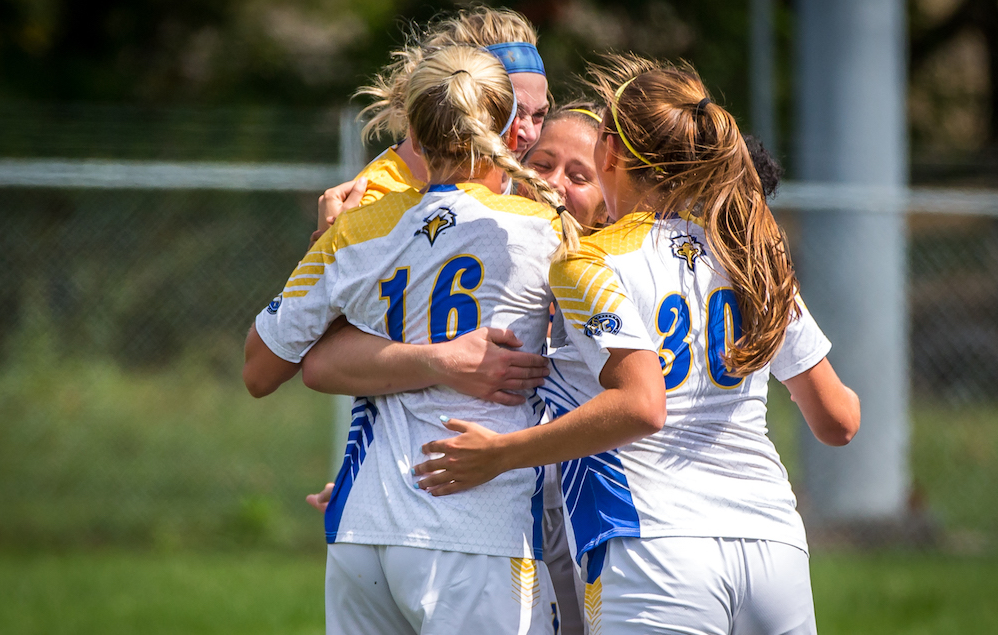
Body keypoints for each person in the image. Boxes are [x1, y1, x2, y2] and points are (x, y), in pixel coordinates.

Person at [410, 54, 861, 635]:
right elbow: (839, 421)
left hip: (653, 545)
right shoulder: (752, 257)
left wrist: (500, 453)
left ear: (609, 151)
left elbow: (642, 405)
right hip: (773, 543)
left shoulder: (589, 259)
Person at [243, 45, 578, 635]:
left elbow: (259, 369)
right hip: (477, 528)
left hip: (363, 529)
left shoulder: (355, 226)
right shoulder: (545, 230)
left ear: (414, 139)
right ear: (505, 131)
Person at [316, 6, 550, 235]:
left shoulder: (527, 187)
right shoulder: (373, 200)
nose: (529, 133)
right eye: (512, 112)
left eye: (539, 115)